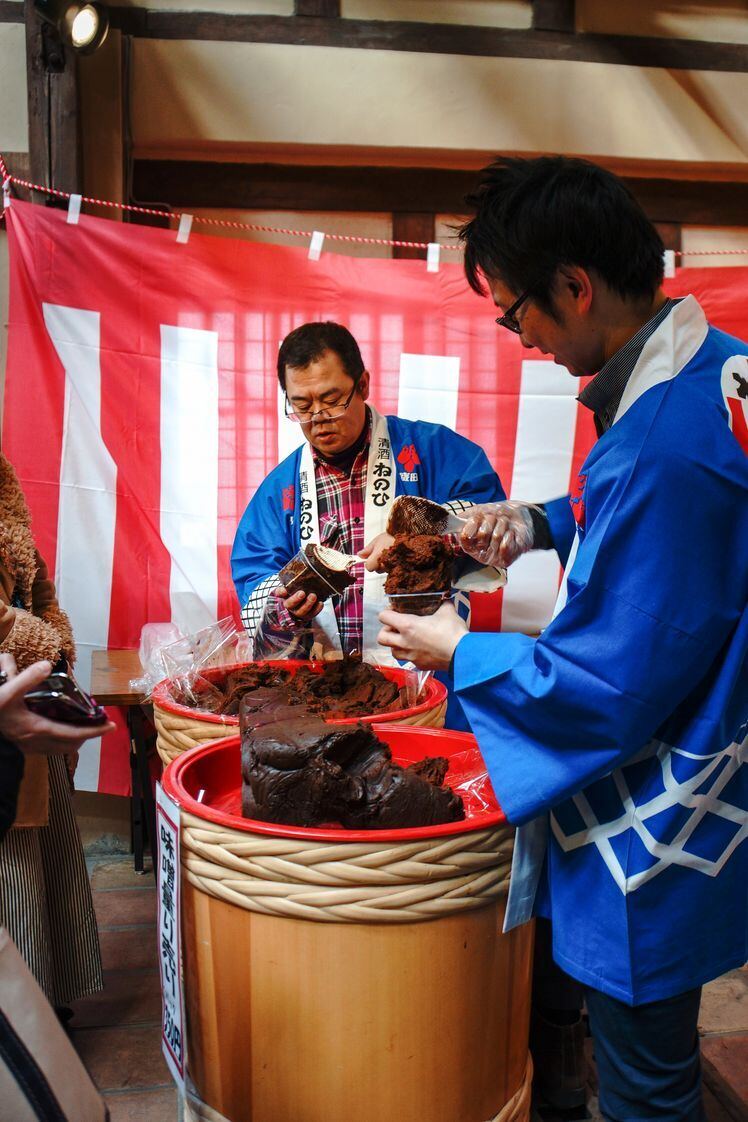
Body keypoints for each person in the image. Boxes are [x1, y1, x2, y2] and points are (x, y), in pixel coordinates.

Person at [376, 156, 747, 1122]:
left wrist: (458, 649)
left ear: (576, 287)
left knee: (645, 1077)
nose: (521, 338)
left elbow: (607, 680)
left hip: (666, 802)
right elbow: (657, 539)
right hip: (719, 756)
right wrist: (533, 522)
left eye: (516, 315)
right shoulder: (713, 368)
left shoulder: (665, 445)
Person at [231, 321, 506, 722]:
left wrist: (414, 538)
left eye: (332, 398)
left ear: (363, 385)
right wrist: (288, 605)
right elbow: (255, 585)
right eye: (302, 405)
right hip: (329, 697)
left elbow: (494, 522)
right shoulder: (280, 490)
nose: (319, 417)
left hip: (429, 684)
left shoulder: (430, 450)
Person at [0, 451, 106, 1016]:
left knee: (46, 860)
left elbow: (38, 593)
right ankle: (22, 1020)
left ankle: (46, 999)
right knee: (12, 867)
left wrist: (54, 646)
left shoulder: (6, 495)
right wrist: (39, 639)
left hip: (30, 702)